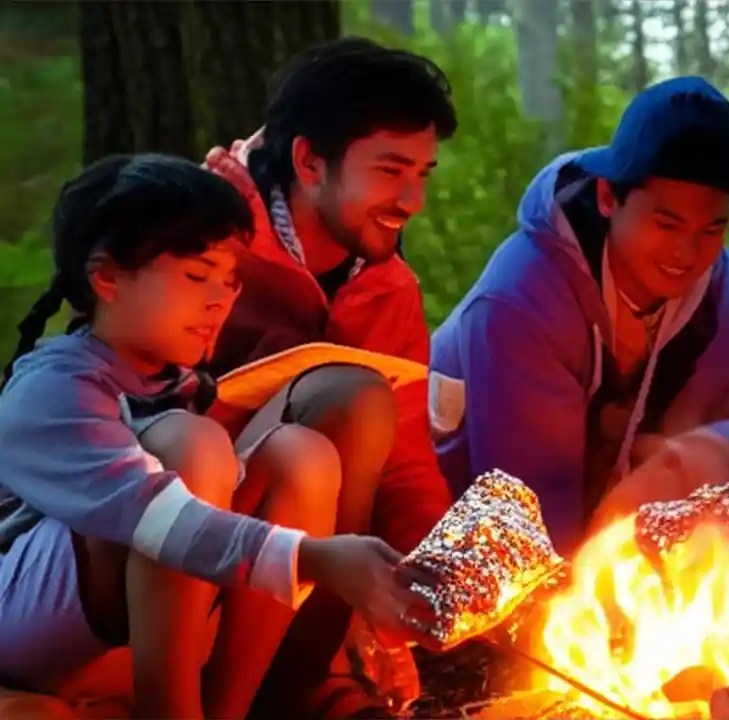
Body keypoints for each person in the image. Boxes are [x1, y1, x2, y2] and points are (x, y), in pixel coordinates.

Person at [0, 155, 433, 719]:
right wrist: (319, 559)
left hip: (125, 637)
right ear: (106, 277)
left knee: (301, 456)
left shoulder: (176, 383)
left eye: (230, 280)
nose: (220, 300)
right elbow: (158, 518)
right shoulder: (55, 384)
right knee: (195, 447)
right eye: (196, 276)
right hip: (24, 631)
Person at [429, 76, 729, 554]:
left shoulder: (726, 300)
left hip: (613, 551)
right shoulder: (521, 300)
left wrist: (695, 461)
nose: (686, 252)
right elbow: (530, 523)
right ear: (608, 196)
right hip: (458, 548)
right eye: (666, 223)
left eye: (711, 230)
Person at [199, 38, 458, 716]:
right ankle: (294, 691)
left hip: (304, 577)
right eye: (391, 170)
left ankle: (316, 678)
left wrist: (436, 577)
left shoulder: (388, 289)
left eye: (423, 173)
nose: (413, 200)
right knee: (353, 398)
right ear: (309, 160)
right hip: (187, 544)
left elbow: (406, 467)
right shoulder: (200, 238)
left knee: (362, 405)